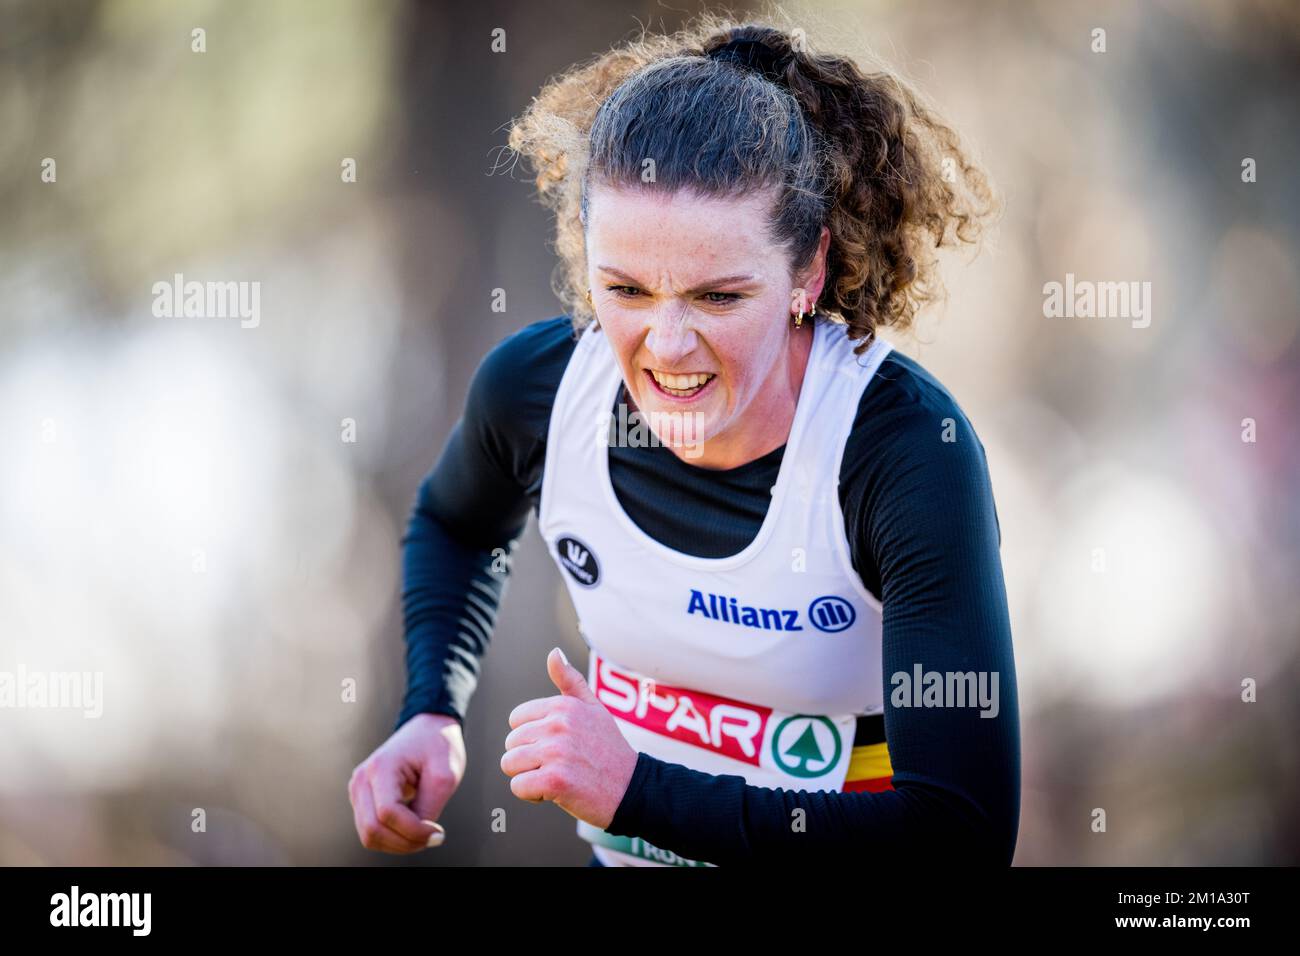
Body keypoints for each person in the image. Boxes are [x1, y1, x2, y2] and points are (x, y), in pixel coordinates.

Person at [348, 13, 1020, 867]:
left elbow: (959, 838)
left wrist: (637, 794)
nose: (666, 346)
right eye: (624, 288)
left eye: (717, 298)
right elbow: (455, 524)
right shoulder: (540, 393)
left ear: (808, 272)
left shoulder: (905, 454)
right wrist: (432, 709)